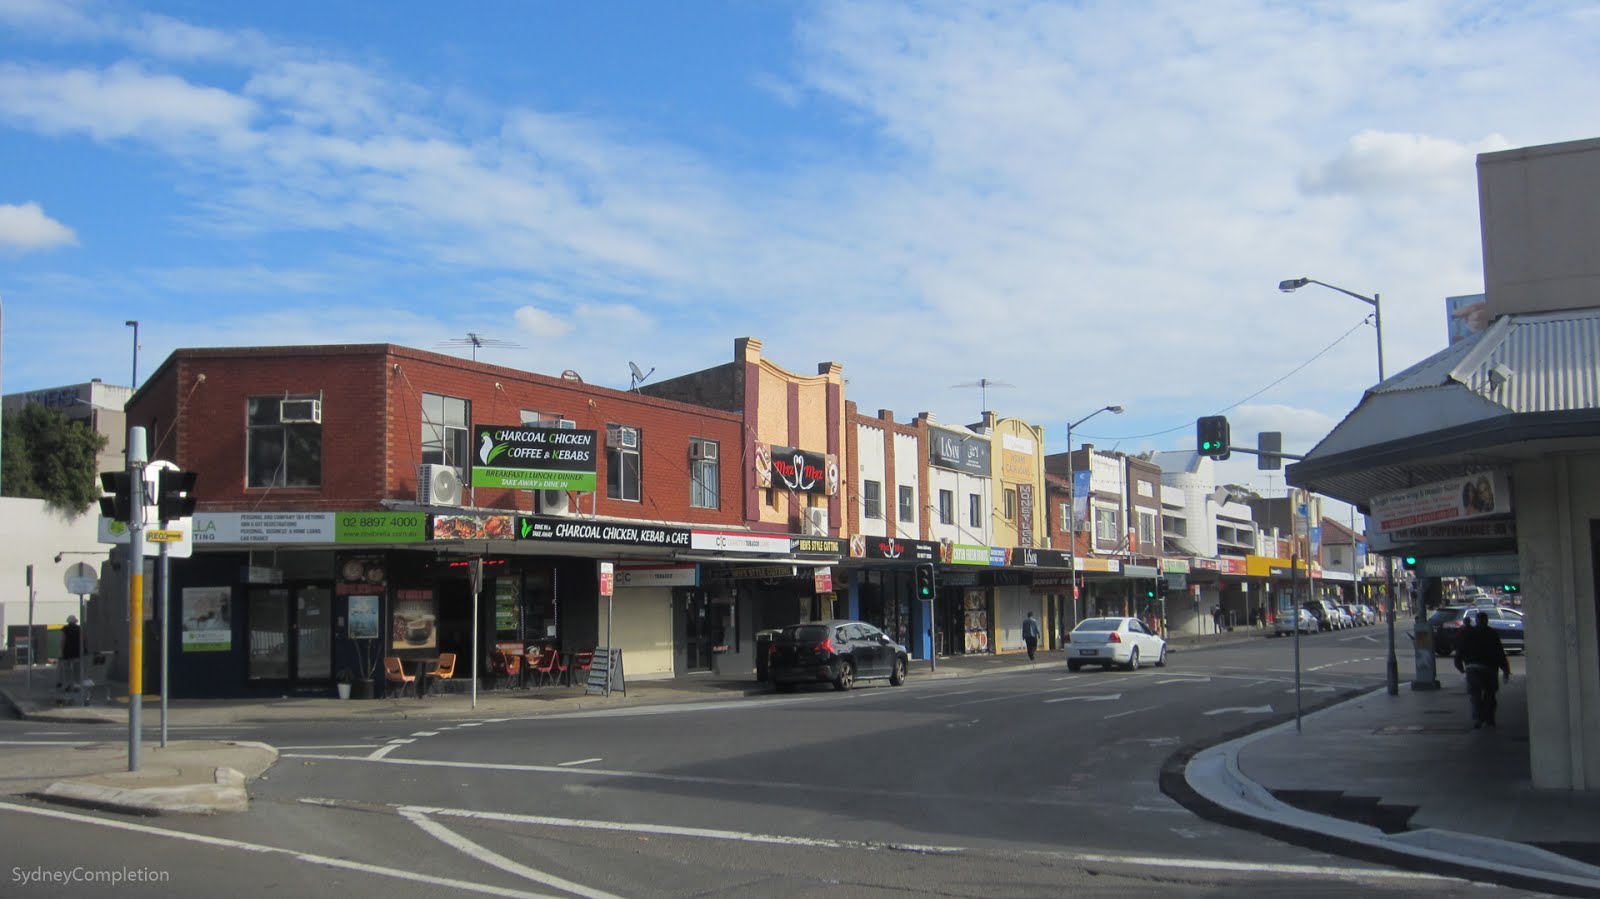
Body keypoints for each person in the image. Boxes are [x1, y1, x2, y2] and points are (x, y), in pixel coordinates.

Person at [1454, 611, 1511, 728]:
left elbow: (1460, 651)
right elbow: (1499, 653)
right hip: (1489, 668)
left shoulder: (1468, 633)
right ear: (1487, 620)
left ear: (1476, 620)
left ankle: (1477, 718)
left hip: (1472, 668)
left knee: (1475, 695)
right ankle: (1489, 719)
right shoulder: (1492, 633)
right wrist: (1505, 670)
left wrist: (1460, 667)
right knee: (1490, 694)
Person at [58, 615, 83, 690]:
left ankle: (67, 684)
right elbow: (84, 638)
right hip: (77, 652)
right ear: (75, 621)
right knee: (77, 670)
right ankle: (77, 685)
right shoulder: (79, 628)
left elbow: (63, 640)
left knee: (67, 669)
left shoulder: (65, 629)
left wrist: (61, 650)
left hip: (67, 652)